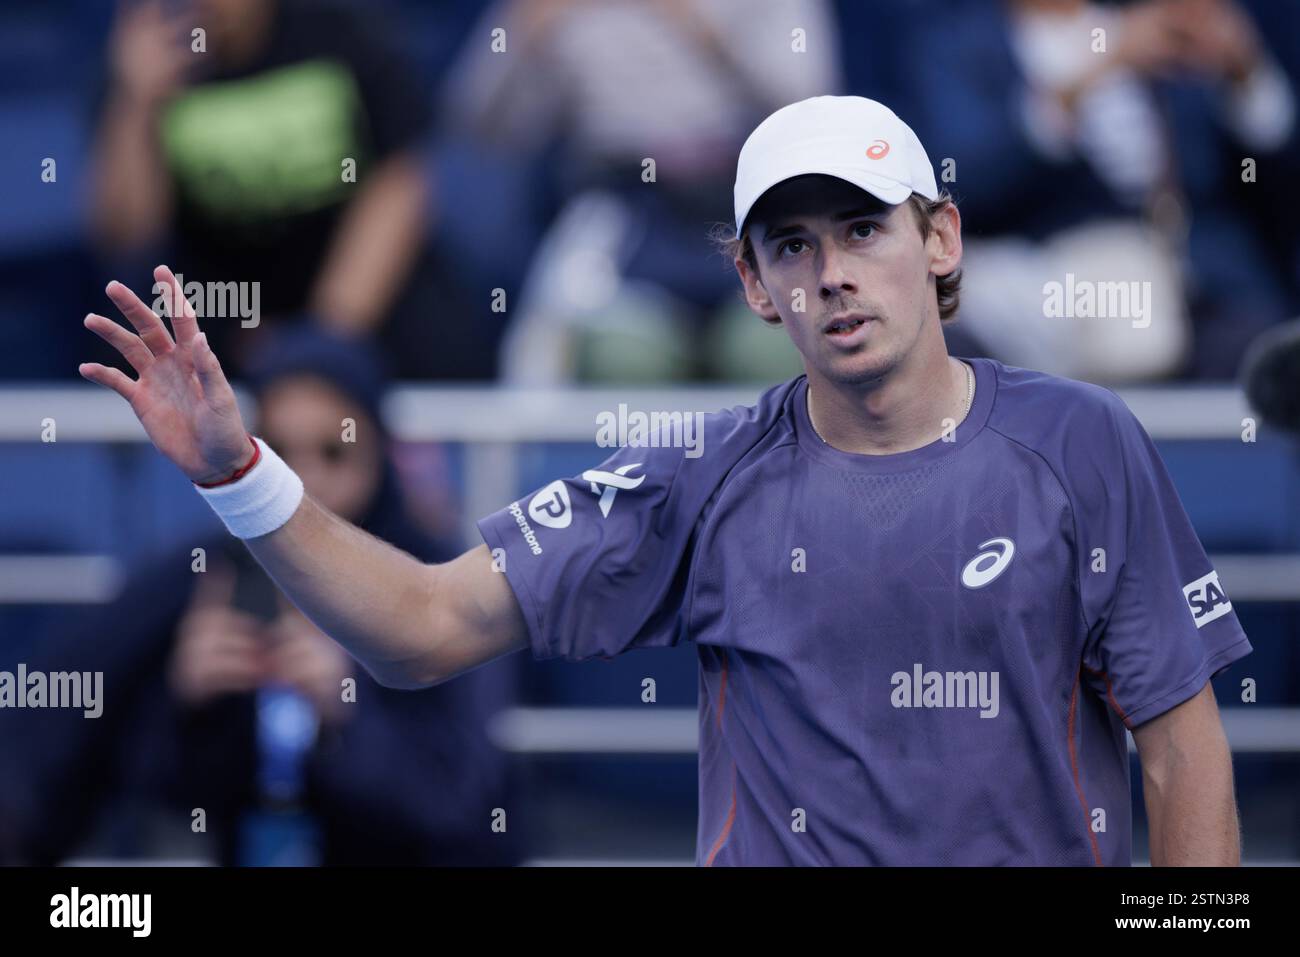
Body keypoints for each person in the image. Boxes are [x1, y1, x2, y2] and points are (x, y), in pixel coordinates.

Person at [78, 95, 1252, 866]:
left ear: (939, 240)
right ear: (751, 283)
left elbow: (1179, 747)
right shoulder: (699, 477)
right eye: (792, 247)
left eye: (861, 231)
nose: (831, 274)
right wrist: (239, 471)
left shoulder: (1085, 445)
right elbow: (421, 627)